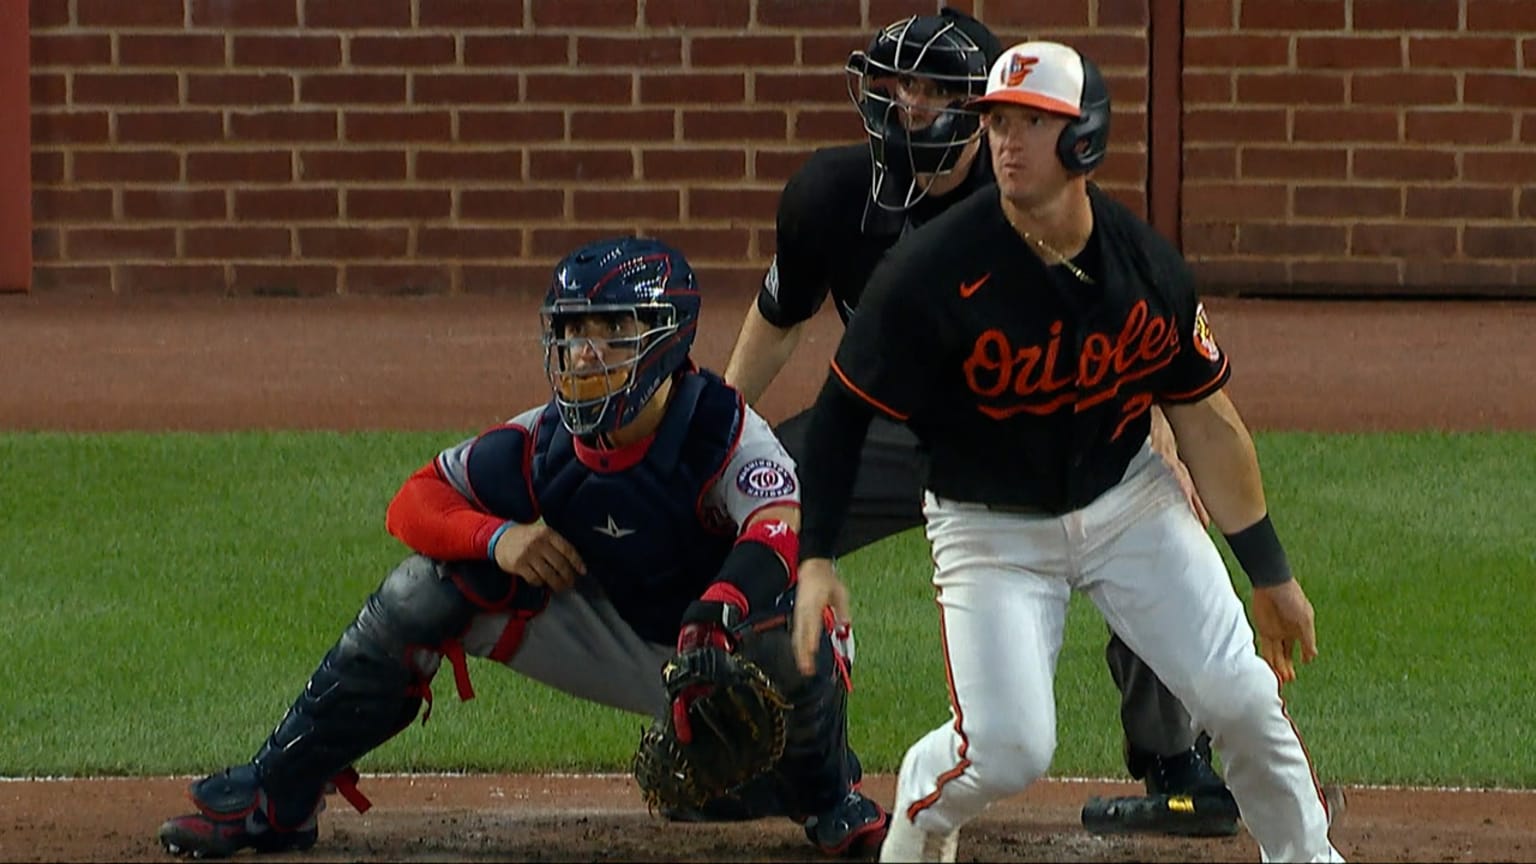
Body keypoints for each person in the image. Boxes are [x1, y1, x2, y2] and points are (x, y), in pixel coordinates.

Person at [787, 39, 1343, 864]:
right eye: (998, 122)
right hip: (988, 529)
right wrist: (819, 555)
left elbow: (1205, 420)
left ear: (1083, 139)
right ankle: (922, 793)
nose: (1006, 142)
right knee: (1006, 750)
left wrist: (1270, 572)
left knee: (1244, 698)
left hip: (1128, 503)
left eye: (1031, 124)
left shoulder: (1144, 269)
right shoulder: (930, 271)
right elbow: (840, 413)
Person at [155, 236, 889, 860]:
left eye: (609, 331)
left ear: (664, 337)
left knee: (788, 629)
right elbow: (414, 499)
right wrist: (499, 539)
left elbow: (782, 526)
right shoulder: (547, 443)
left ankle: (828, 796)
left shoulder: (721, 428)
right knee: (423, 588)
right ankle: (277, 796)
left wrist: (717, 611)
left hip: (733, 648)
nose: (583, 355)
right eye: (572, 333)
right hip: (631, 639)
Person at [723, 6, 1236, 834]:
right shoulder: (829, 194)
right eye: (901, 88)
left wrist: (1159, 445)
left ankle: (1179, 767)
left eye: (939, 94)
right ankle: (793, 762)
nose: (912, 110)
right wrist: (714, 444)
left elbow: (1135, 345)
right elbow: (777, 322)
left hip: (1026, 424)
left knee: (1138, 517)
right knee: (758, 517)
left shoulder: (1038, 204)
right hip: (891, 423)